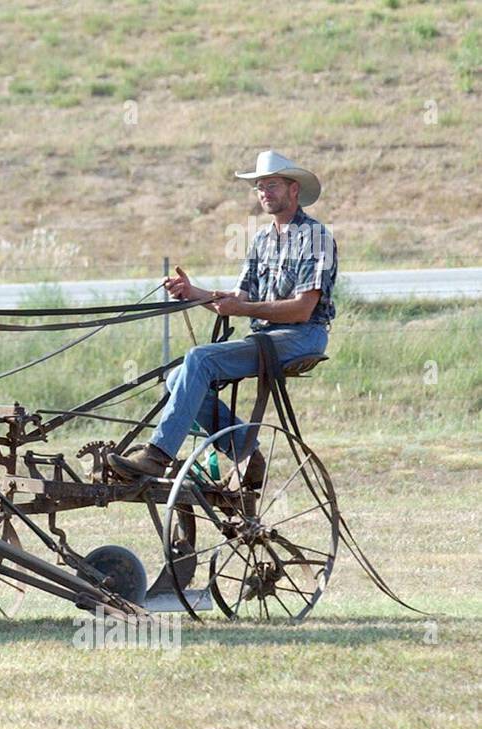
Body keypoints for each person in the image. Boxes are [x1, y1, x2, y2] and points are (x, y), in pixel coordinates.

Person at [109, 150, 337, 484]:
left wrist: (242, 309)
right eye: (260, 186)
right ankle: (247, 453)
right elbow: (238, 298)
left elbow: (302, 308)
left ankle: (157, 457)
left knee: (199, 359)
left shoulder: (315, 238)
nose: (264, 192)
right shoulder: (261, 240)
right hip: (265, 337)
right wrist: (193, 293)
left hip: (302, 336)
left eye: (272, 185)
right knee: (177, 379)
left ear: (293, 190)